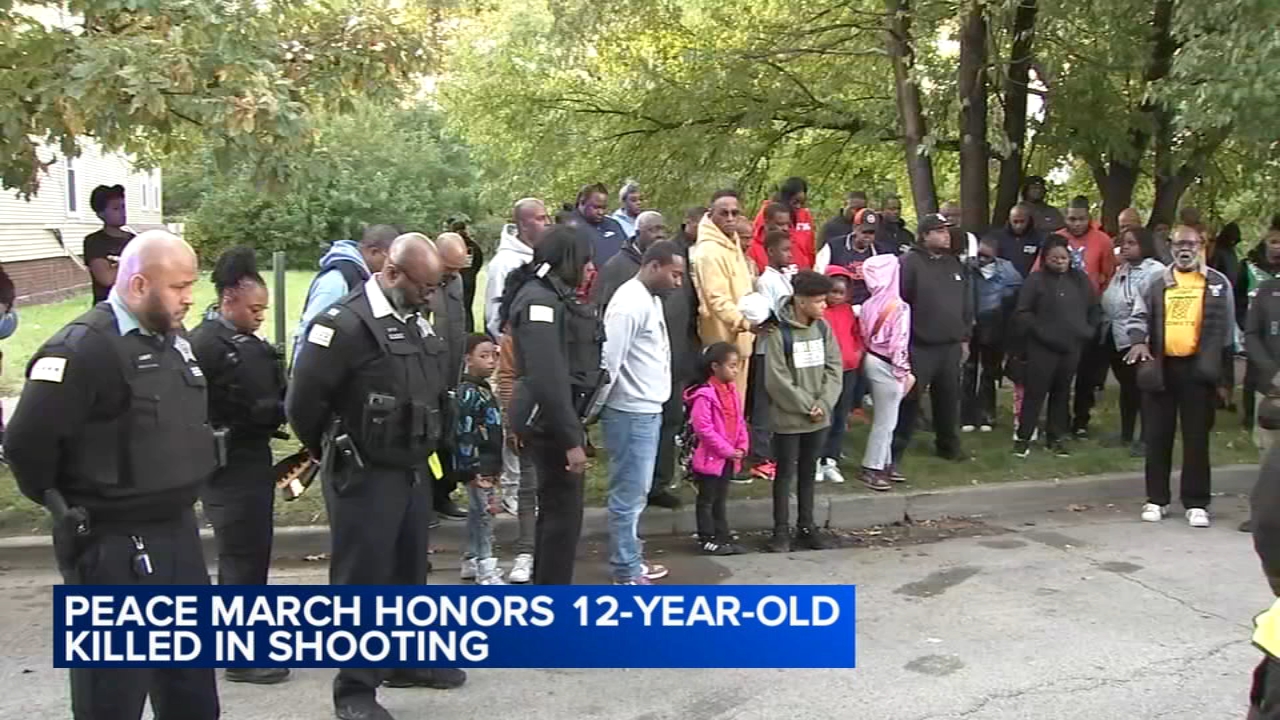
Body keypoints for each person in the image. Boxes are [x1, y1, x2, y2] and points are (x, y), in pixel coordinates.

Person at [5, 230, 220, 720]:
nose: (190, 297)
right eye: (179, 286)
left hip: (177, 536)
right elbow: (25, 445)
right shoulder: (82, 350)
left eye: (191, 285)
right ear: (139, 285)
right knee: (112, 697)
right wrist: (69, 507)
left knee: (191, 693)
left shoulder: (173, 340)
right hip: (112, 547)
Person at [286, 233, 466, 720]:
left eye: (435, 287)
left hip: (410, 467)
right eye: (424, 286)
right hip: (363, 472)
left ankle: (405, 661)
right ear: (391, 273)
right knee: (361, 581)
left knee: (409, 572)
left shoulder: (412, 321)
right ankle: (354, 691)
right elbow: (302, 404)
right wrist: (331, 448)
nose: (430, 296)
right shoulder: (342, 325)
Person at [189, 246, 289, 686]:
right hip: (227, 464)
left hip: (249, 456)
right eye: (253, 309)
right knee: (242, 558)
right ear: (228, 298)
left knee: (251, 554)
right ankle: (240, 655)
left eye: (263, 310)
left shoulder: (238, 341)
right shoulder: (205, 344)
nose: (259, 317)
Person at [501, 225, 598, 584]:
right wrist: (571, 440)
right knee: (562, 520)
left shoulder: (548, 296)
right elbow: (547, 374)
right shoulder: (539, 301)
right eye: (585, 261)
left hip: (553, 418)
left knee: (559, 517)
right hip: (550, 422)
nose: (590, 269)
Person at [1125, 225, 1235, 528]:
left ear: (1202, 246)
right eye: (1178, 244)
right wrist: (1138, 341)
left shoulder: (1217, 283)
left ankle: (1196, 503)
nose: (1184, 250)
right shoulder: (1156, 282)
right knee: (1157, 436)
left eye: (1191, 244)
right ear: (1170, 247)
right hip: (1162, 369)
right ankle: (1156, 499)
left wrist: (1225, 379)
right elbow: (1137, 316)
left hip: (1199, 370)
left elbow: (1228, 334)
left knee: (1196, 438)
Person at [597, 241, 684, 584]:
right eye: (674, 274)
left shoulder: (650, 299)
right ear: (653, 266)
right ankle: (626, 570)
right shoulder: (628, 304)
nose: (678, 282)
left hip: (647, 408)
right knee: (629, 495)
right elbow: (609, 362)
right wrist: (595, 409)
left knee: (636, 492)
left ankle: (631, 557)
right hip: (630, 411)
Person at [764, 270, 843, 552]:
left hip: (819, 417)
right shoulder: (779, 334)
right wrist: (806, 405)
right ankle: (780, 530)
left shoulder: (823, 328)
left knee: (809, 471)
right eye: (819, 301)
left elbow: (834, 368)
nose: (824, 306)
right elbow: (777, 379)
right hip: (789, 418)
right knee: (785, 473)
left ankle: (807, 526)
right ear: (800, 301)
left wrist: (823, 403)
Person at [890, 214, 973, 474]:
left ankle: (949, 445)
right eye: (939, 231)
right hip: (919, 344)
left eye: (947, 230)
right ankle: (895, 449)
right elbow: (899, 303)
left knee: (949, 397)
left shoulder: (953, 263)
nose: (946, 235)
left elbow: (966, 301)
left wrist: (965, 337)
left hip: (950, 344)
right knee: (910, 398)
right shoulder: (909, 263)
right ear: (925, 235)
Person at [1011, 237, 1099, 457]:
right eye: (1054, 258)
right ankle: (1023, 438)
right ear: (1045, 259)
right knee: (1035, 393)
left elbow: (1094, 308)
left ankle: (1055, 438)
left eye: (1064, 258)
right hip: (1042, 347)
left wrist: (1088, 331)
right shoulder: (1036, 280)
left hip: (1072, 347)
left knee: (1062, 393)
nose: (1060, 262)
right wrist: (1041, 332)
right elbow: (1023, 312)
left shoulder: (1080, 280)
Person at [650, 207, 705, 506]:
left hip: (677, 361)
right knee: (649, 426)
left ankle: (659, 483)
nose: (678, 280)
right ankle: (643, 484)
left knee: (671, 420)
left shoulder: (683, 269)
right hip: (648, 368)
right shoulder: (635, 290)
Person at [1047, 196, 1115, 437]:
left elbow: (1109, 275)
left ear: (1089, 218)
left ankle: (1081, 420)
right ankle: (1059, 419)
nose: (1076, 224)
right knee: (1061, 371)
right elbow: (1040, 270)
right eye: (1071, 219)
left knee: (1087, 371)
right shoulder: (1055, 239)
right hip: (1059, 312)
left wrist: (1097, 303)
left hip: (1088, 311)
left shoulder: (1102, 241)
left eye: (1081, 219)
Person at [291, 224, 398, 364]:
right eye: (390, 260)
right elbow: (310, 332)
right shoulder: (336, 279)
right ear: (374, 252)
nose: (392, 268)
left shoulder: (362, 278)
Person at [1101, 227, 1165, 456]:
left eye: (1131, 243)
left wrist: (1143, 338)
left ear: (1144, 245)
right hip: (1117, 336)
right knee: (1128, 388)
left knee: (1145, 389)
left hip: (1141, 339)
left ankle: (1147, 438)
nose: (1125, 247)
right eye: (1123, 243)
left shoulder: (1156, 272)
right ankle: (1126, 434)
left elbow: (1152, 307)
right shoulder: (1122, 269)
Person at [691, 190, 758, 408]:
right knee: (723, 409)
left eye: (734, 213)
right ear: (711, 214)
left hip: (742, 340)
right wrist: (745, 322)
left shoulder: (732, 240)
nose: (730, 218)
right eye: (724, 213)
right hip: (722, 344)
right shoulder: (708, 251)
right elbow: (716, 299)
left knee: (737, 406)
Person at [684, 342, 749, 556]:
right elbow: (703, 428)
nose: (736, 370)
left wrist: (741, 445)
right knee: (707, 499)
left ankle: (722, 534)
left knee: (720, 498)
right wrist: (726, 450)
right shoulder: (704, 395)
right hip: (710, 458)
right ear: (715, 366)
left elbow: (739, 421)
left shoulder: (732, 391)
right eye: (732, 365)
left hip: (727, 457)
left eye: (737, 365)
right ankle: (707, 537)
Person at [454, 334, 506, 586]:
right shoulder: (468, 393)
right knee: (484, 514)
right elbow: (464, 433)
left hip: (488, 462)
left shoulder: (483, 390)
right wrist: (471, 468)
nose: (491, 361)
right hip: (478, 464)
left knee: (477, 513)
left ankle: (471, 558)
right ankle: (486, 566)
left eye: (493, 355)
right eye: (483, 356)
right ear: (468, 359)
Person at [859, 255, 913, 489]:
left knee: (886, 415)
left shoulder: (868, 305)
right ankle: (872, 467)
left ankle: (886, 461)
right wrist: (903, 371)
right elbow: (898, 344)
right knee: (886, 420)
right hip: (888, 364)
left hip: (871, 358)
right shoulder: (899, 307)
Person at [745, 229, 794, 481]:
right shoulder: (766, 281)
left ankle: (772, 451)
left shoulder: (783, 278)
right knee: (763, 405)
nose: (790, 254)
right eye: (785, 250)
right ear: (771, 252)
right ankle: (759, 457)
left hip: (782, 349)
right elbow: (765, 314)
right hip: (767, 350)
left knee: (777, 403)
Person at [432, 232, 474, 522]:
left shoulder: (456, 281)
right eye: (448, 269)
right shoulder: (421, 281)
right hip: (426, 373)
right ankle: (424, 498)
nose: (453, 274)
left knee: (448, 437)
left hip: (452, 371)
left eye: (458, 269)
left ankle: (443, 494)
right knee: (427, 440)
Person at [963, 236, 1022, 433]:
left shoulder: (1007, 270)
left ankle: (987, 415)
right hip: (970, 324)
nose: (981, 260)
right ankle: (966, 415)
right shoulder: (966, 268)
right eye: (978, 255)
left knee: (989, 371)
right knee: (968, 370)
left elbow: (1017, 291)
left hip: (994, 325)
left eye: (986, 256)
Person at [817, 266, 865, 483]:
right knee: (823, 415)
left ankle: (831, 459)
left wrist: (857, 352)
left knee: (840, 415)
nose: (837, 296)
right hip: (825, 372)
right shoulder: (819, 312)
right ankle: (815, 459)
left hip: (848, 370)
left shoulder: (847, 311)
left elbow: (856, 334)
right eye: (833, 291)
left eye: (841, 292)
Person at [484, 198, 550, 338]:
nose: (548, 223)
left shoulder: (547, 255)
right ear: (523, 224)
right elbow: (495, 315)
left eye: (547, 217)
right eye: (540, 218)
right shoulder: (503, 263)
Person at [1241, 219, 1280, 432]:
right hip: (1267, 370)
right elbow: (1252, 333)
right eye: (1273, 242)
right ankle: (1250, 417)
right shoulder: (1262, 284)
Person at [592, 210, 666, 308]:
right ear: (638, 233)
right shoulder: (615, 267)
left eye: (663, 229)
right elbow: (602, 306)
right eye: (653, 230)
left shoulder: (667, 263)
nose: (660, 234)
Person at [747, 177, 816, 272]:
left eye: (802, 203)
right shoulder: (754, 248)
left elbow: (810, 251)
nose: (798, 206)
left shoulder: (805, 215)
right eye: (795, 202)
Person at [814, 209, 879, 308]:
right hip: (837, 305)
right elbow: (818, 275)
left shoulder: (878, 252)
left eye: (872, 233)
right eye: (864, 232)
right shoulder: (833, 246)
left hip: (867, 306)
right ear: (855, 228)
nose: (868, 236)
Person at [83, 184, 135, 306]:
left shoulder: (135, 240)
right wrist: (133, 262)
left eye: (123, 207)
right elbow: (107, 278)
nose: (122, 212)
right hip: (108, 308)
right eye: (115, 209)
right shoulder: (94, 242)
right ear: (101, 214)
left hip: (134, 307)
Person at [574, 182, 627, 267]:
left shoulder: (613, 224)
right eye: (596, 207)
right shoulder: (570, 229)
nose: (601, 212)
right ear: (582, 202)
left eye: (604, 208)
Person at [990, 203, 1049, 278]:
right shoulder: (997, 237)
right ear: (1009, 220)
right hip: (1003, 281)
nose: (1019, 226)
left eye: (1022, 221)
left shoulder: (1039, 238)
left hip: (1030, 281)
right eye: (1015, 221)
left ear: (1029, 220)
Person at [448, 216, 483, 332]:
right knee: (467, 308)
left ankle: (457, 332)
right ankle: (468, 332)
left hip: (454, 281)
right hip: (469, 280)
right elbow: (478, 262)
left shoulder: (452, 245)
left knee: (454, 309)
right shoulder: (473, 245)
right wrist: (472, 274)